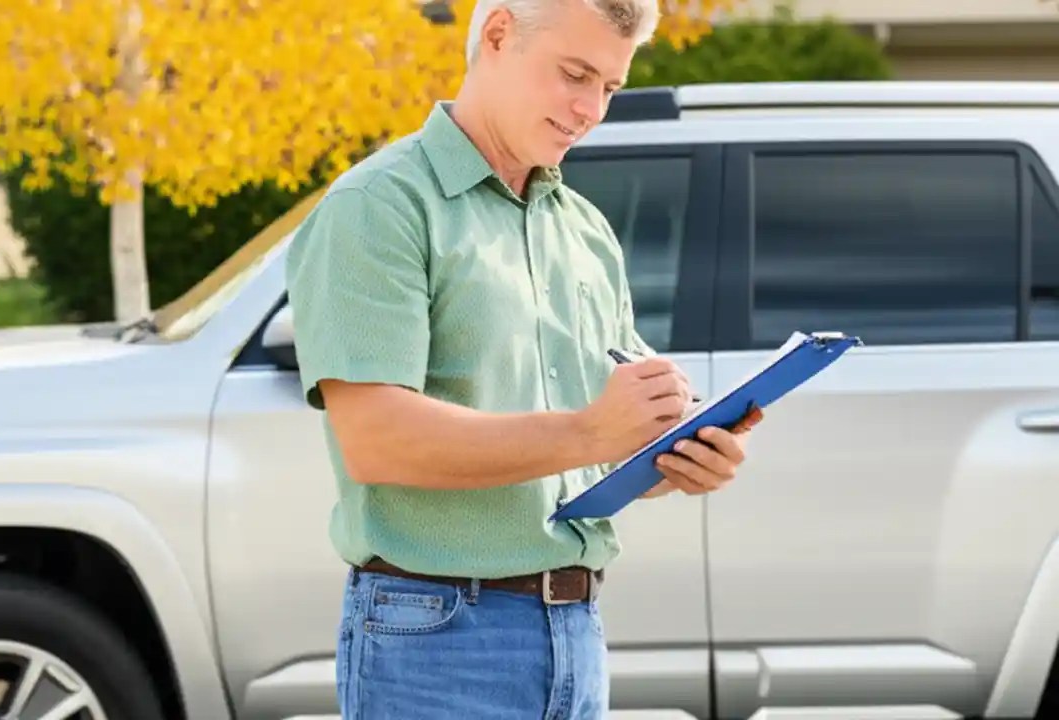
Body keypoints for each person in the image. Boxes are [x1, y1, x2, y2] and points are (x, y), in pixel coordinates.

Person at [284, 0, 762, 716]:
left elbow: (592, 457)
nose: (591, 108)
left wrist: (676, 458)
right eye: (575, 74)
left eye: (609, 86)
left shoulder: (586, 233)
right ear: (499, 34)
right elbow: (375, 440)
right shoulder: (380, 206)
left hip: (575, 630)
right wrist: (590, 432)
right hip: (435, 642)